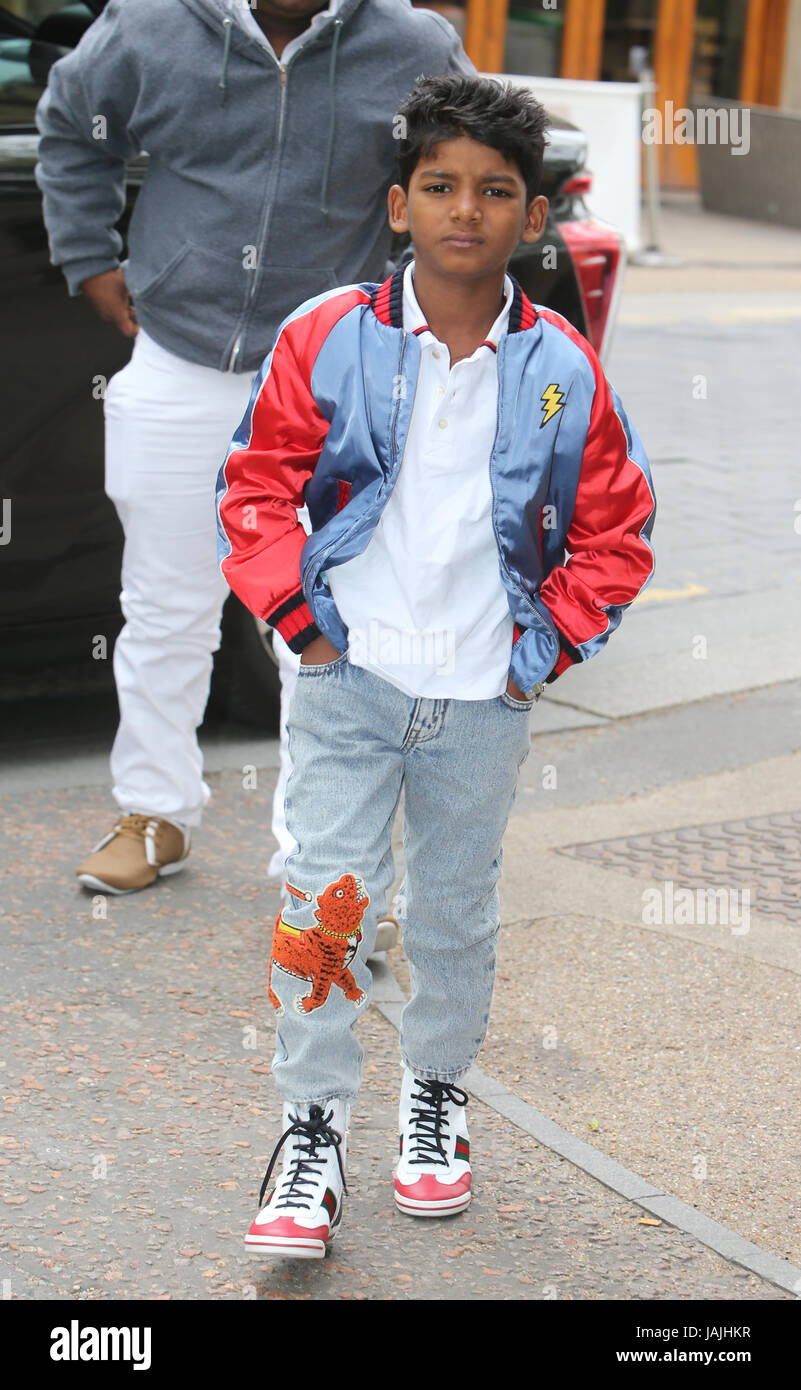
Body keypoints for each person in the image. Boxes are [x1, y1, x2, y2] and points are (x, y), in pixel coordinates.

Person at [216, 72, 656, 1258]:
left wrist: (541, 648)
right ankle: (310, 1129)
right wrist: (299, 622)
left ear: (532, 217)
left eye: (497, 192)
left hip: (482, 696)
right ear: (401, 204)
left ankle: (436, 1097)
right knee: (326, 906)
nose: (468, 209)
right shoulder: (330, 334)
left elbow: (618, 531)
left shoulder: (562, 367)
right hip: (347, 679)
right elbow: (256, 486)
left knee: (455, 914)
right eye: (443, 187)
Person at [33, 0, 471, 896]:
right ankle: (155, 813)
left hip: (324, 380)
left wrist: (403, 309)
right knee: (164, 604)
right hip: (177, 362)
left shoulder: (411, 45)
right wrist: (90, 257)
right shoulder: (151, 26)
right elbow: (72, 127)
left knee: (319, 629)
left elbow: (459, 173)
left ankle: (322, 868)